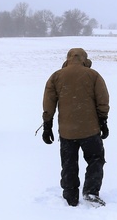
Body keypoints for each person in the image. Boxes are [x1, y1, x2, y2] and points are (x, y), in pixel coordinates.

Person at [41, 47, 110, 206]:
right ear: (84, 59)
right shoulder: (93, 75)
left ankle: (70, 196)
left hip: (67, 132)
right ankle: (91, 192)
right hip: (90, 130)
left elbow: (48, 103)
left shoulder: (56, 76)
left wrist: (47, 125)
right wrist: (103, 121)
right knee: (96, 159)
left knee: (68, 163)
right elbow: (103, 100)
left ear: (68, 58)